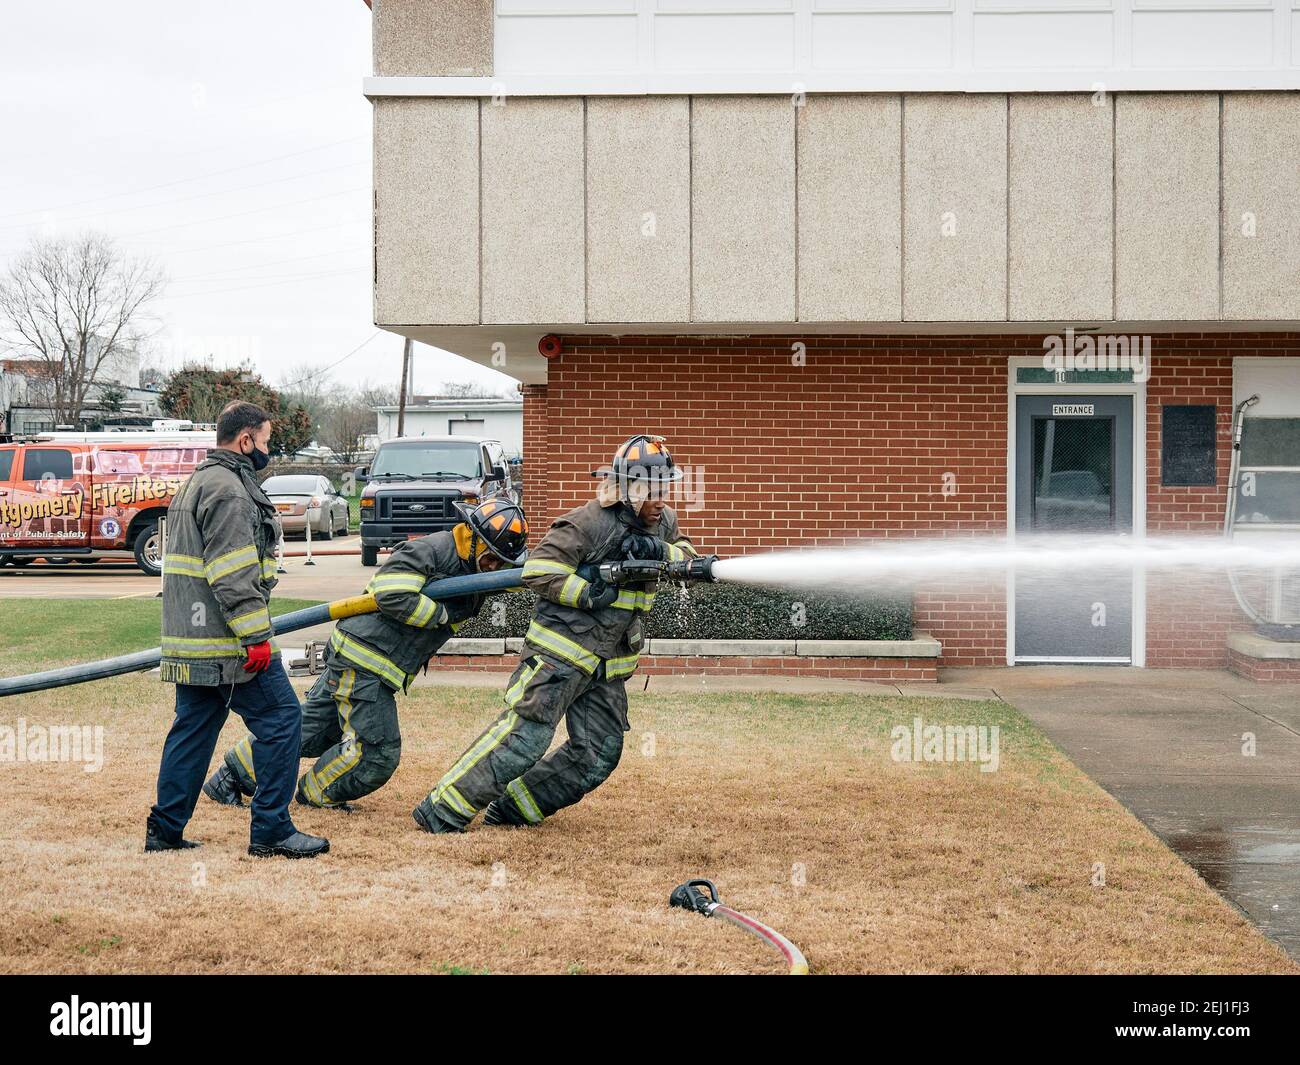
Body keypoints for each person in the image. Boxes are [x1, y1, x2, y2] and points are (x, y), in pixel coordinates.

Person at [413, 435, 698, 834]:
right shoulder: (588, 523)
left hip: (607, 665)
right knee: (525, 740)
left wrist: (661, 551)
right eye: (652, 491)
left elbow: (688, 558)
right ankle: (442, 810)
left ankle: (512, 809)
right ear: (628, 489)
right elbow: (539, 570)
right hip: (559, 657)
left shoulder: (663, 523)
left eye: (665, 490)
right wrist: (587, 593)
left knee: (598, 753)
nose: (661, 500)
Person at [202, 498, 529, 810]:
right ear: (472, 538)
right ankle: (316, 792)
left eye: (501, 562)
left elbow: (516, 579)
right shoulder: (430, 551)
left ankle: (230, 776)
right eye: (491, 558)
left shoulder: (473, 566)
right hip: (365, 660)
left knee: (312, 731)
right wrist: (442, 615)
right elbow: (391, 594)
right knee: (376, 753)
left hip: (361, 657)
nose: (493, 567)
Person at [145, 401, 328, 860]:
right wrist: (255, 638)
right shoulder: (229, 491)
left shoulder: (197, 481)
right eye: (265, 441)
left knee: (193, 731)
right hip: (228, 644)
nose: (268, 449)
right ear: (245, 440)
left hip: (192, 641)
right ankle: (272, 830)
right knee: (283, 720)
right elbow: (232, 574)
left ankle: (165, 831)